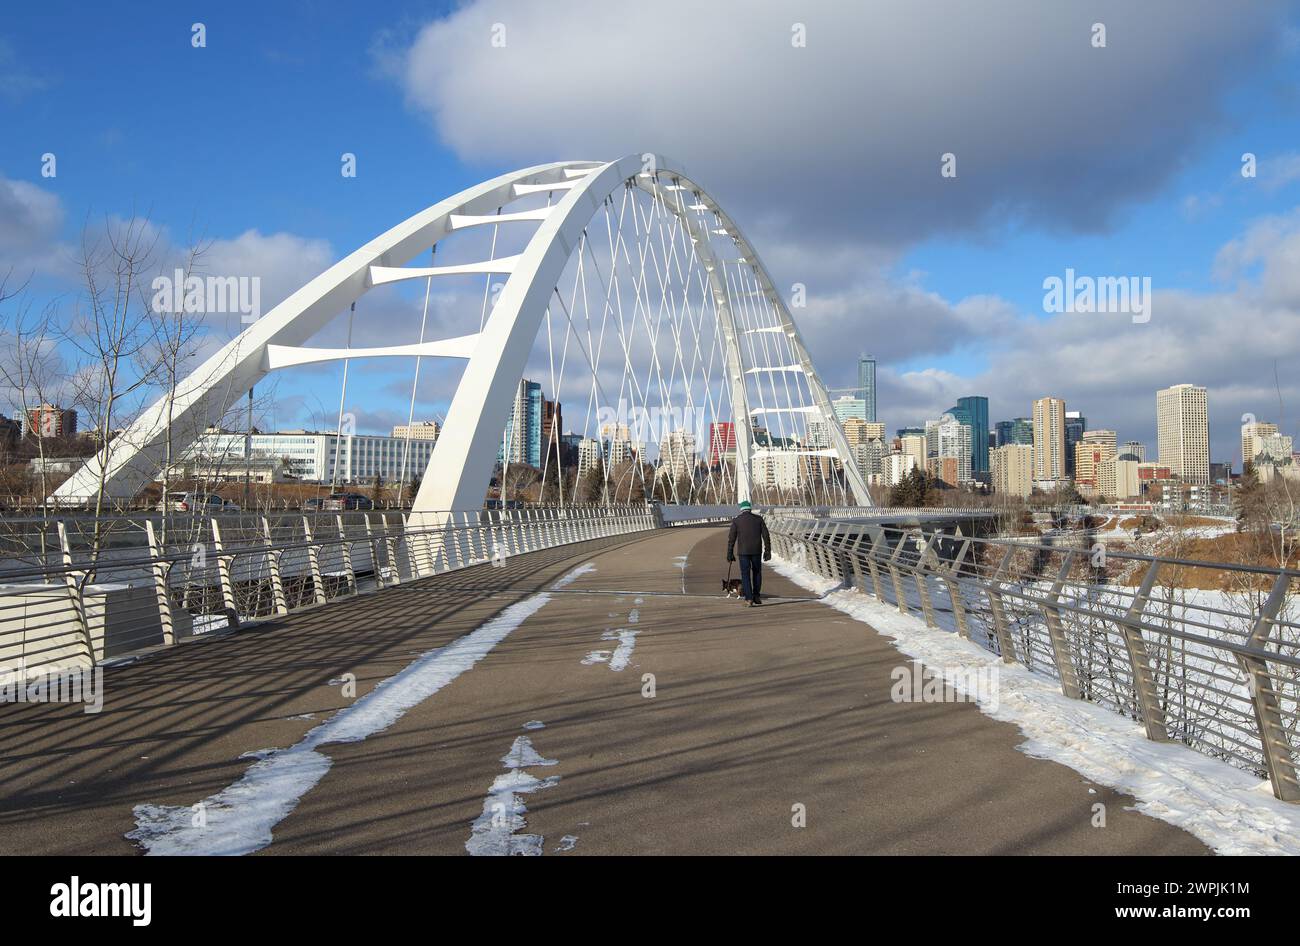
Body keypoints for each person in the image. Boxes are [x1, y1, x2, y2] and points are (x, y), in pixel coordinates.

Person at [726, 500, 771, 606]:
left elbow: (731, 538)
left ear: (741, 510)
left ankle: (749, 599)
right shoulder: (759, 519)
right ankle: (756, 595)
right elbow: (766, 536)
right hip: (756, 551)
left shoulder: (737, 521)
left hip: (743, 552)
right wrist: (768, 551)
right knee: (757, 573)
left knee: (745, 575)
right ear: (750, 509)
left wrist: (730, 553)